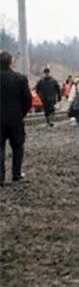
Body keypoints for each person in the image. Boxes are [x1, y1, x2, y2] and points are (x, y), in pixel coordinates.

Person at [0, 51, 33, 186]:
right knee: (18, 146)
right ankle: (16, 174)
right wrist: (21, 113)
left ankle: (0, 178)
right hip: (15, 118)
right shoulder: (20, 78)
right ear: (10, 62)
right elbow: (28, 99)